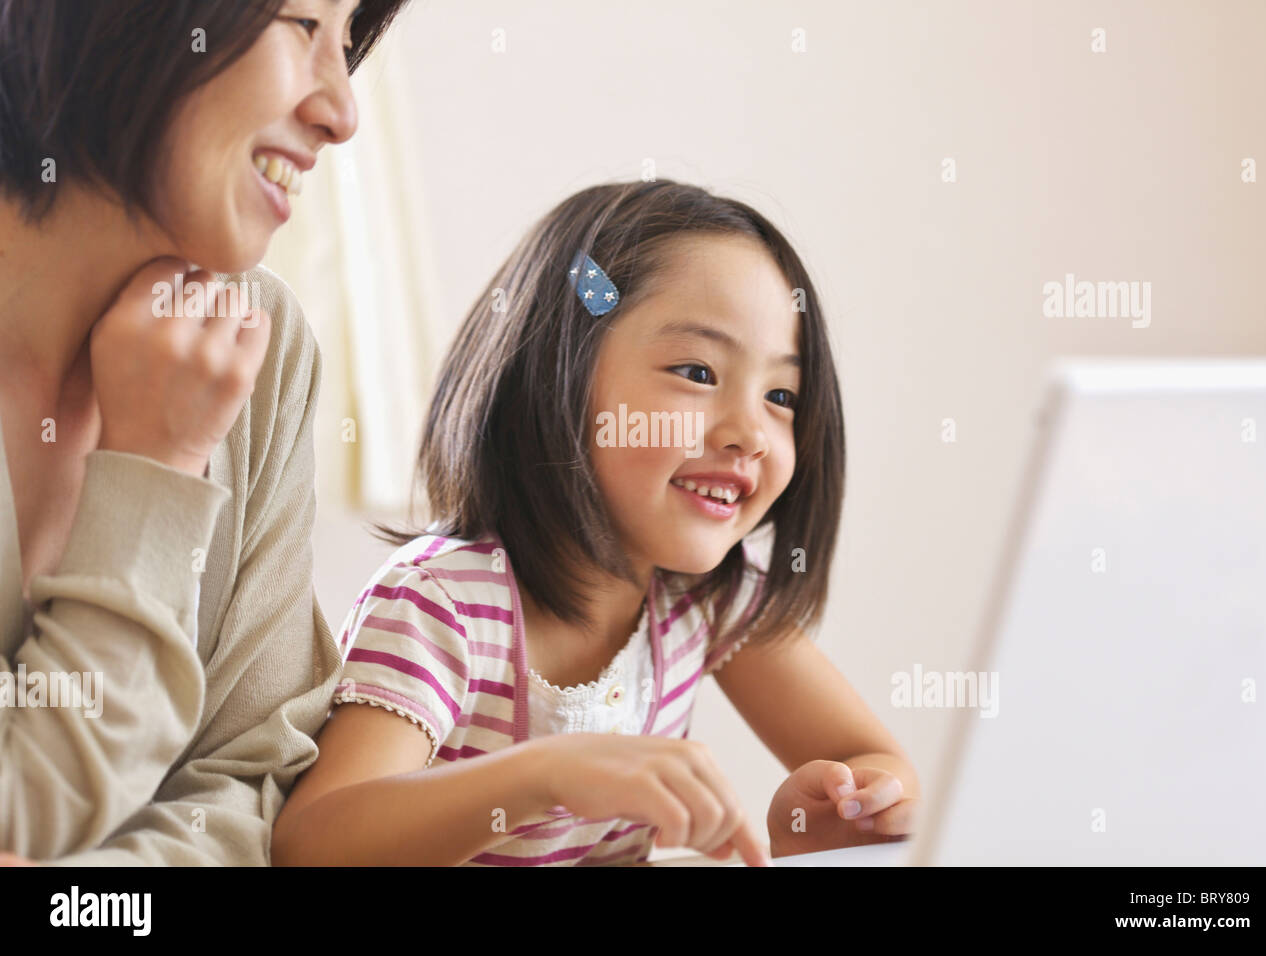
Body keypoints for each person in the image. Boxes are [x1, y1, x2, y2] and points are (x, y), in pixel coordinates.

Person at [271, 180, 922, 866]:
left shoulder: (705, 601)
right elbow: (314, 846)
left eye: (781, 395)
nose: (751, 433)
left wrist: (842, 809)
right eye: (698, 371)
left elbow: (873, 761)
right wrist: (549, 773)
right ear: (560, 371)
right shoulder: (441, 607)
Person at [0, 0, 409, 864]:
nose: (341, 112)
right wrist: (156, 471)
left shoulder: (261, 342)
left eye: (349, 42)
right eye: (304, 25)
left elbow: (245, 781)